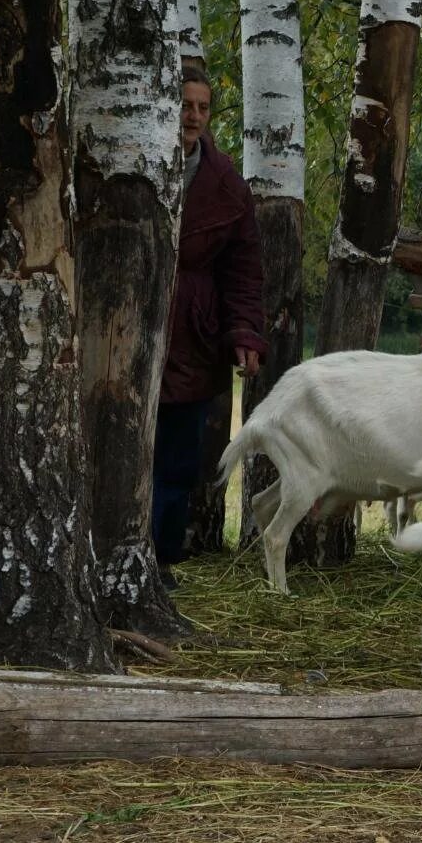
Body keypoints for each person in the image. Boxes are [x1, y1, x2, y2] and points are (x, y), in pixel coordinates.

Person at [152, 64, 268, 577]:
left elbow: (242, 271)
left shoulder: (226, 186)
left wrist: (243, 333)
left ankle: (160, 562)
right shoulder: (125, 160)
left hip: (192, 336)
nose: (192, 116)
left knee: (177, 460)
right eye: (184, 104)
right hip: (121, 328)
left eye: (202, 107)